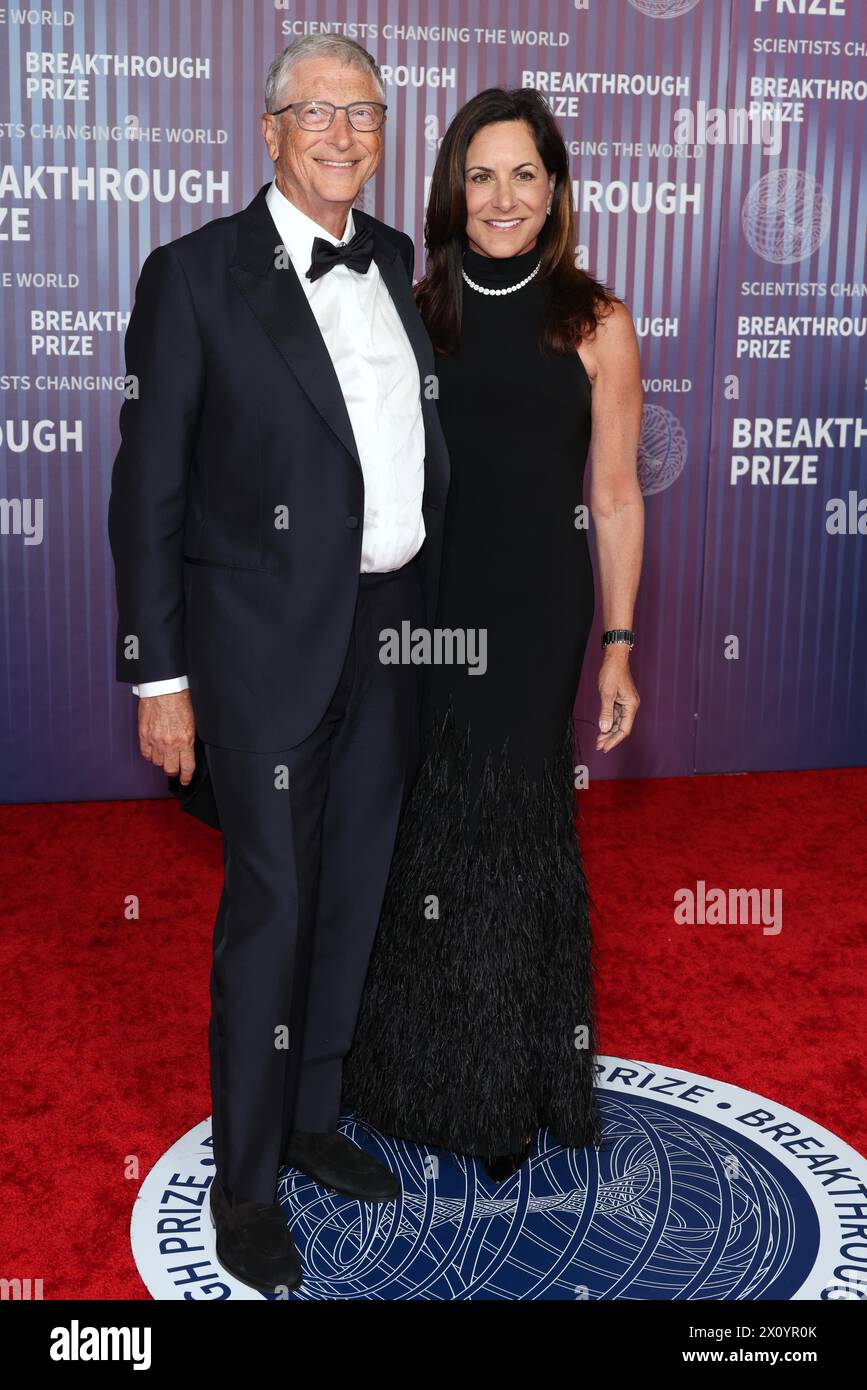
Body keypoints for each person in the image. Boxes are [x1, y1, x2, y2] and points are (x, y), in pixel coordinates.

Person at [107, 34, 449, 1293]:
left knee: (356, 888)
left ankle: (313, 1118)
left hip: (394, 627)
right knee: (273, 907)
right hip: (255, 653)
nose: (344, 134)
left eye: (364, 112)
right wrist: (160, 675)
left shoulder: (401, 260)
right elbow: (147, 486)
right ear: (267, 130)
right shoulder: (192, 277)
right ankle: (247, 1181)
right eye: (317, 112)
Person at [342, 87, 644, 1180]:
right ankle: (408, 1075)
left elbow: (613, 495)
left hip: (534, 618)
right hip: (421, 611)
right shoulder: (415, 312)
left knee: (515, 836)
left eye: (525, 174)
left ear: (556, 190)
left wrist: (617, 639)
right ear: (452, 190)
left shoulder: (597, 322)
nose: (503, 197)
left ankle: (514, 1087)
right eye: (482, 175)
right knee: (420, 827)